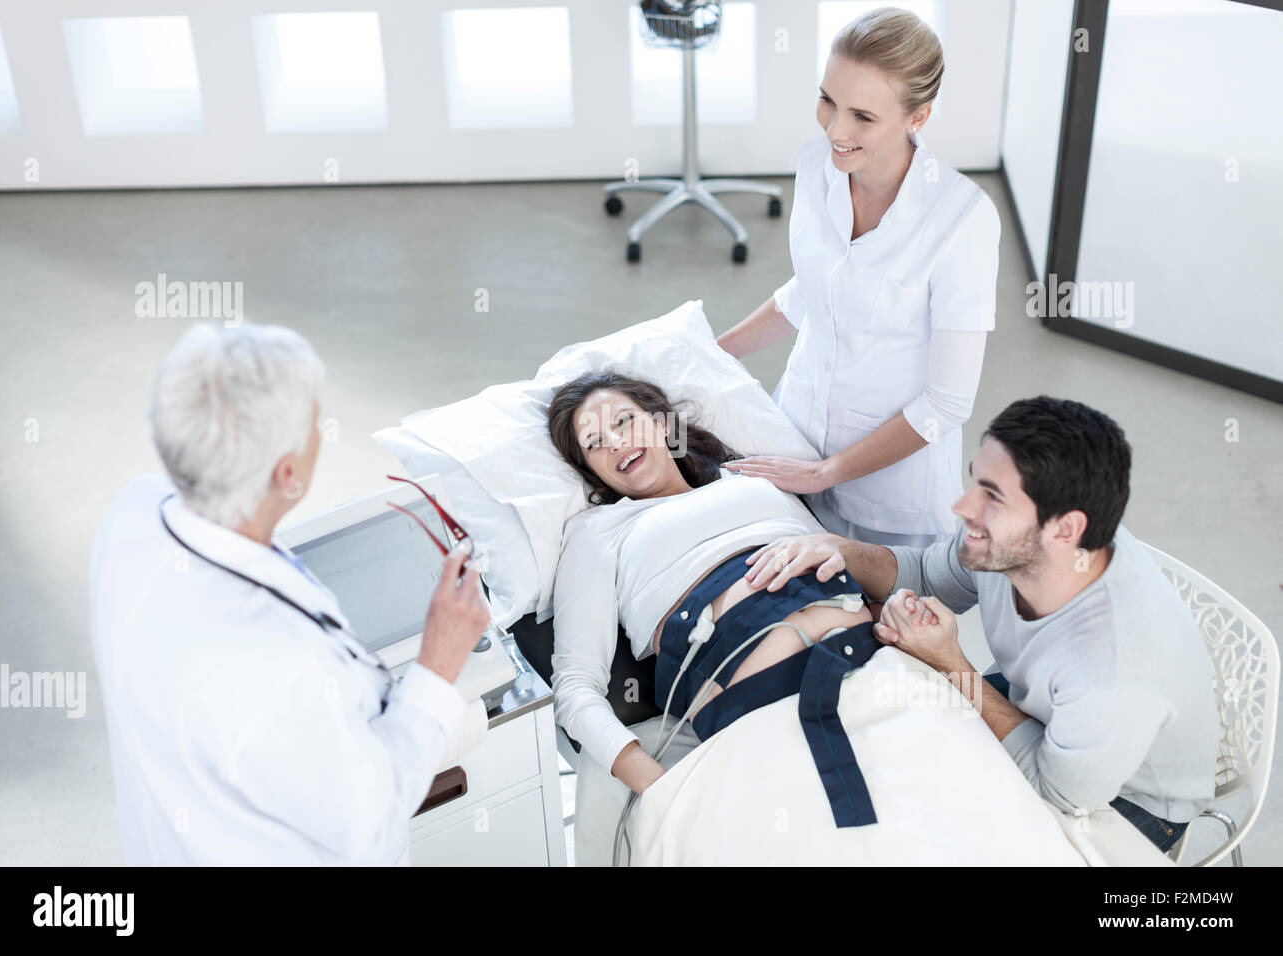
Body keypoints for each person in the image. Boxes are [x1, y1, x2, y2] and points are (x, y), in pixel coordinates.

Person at [89, 322, 490, 865]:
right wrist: (438, 670)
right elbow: (368, 826)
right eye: (313, 420)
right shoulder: (277, 660)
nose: (321, 428)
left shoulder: (131, 515)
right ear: (286, 471)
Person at [744, 396, 1218, 853]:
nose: (963, 507)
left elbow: (1056, 791)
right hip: (1039, 711)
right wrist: (843, 550)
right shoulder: (1020, 547)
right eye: (977, 482)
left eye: (993, 498)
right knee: (881, 746)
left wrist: (951, 663)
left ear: (1065, 529)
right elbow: (933, 575)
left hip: (1123, 804)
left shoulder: (1116, 667)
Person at [717, 8, 999, 548]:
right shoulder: (815, 164)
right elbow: (811, 291)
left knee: (879, 625)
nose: (836, 130)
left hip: (890, 494)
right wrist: (712, 353)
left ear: (918, 117)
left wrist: (828, 472)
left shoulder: (963, 219)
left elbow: (947, 403)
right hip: (794, 441)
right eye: (828, 100)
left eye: (863, 117)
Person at [545, 372, 875, 798]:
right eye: (594, 443)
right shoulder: (599, 531)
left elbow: (843, 562)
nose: (615, 442)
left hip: (870, 658)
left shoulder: (751, 481)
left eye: (624, 421)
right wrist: (658, 787)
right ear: (591, 470)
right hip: (762, 705)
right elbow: (574, 686)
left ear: (663, 424)